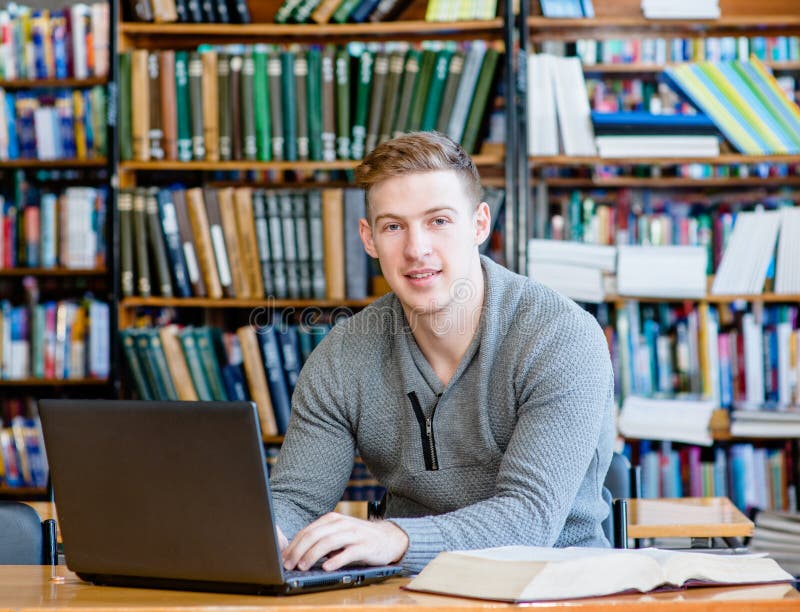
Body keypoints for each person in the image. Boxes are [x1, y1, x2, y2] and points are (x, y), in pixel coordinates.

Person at [271, 131, 615, 575]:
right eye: (393, 226)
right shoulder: (343, 357)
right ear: (369, 238)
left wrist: (397, 538)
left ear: (479, 224)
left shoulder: (560, 337)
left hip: (556, 584)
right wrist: (270, 535)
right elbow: (297, 500)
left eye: (438, 221)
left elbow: (530, 517)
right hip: (409, 589)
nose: (416, 249)